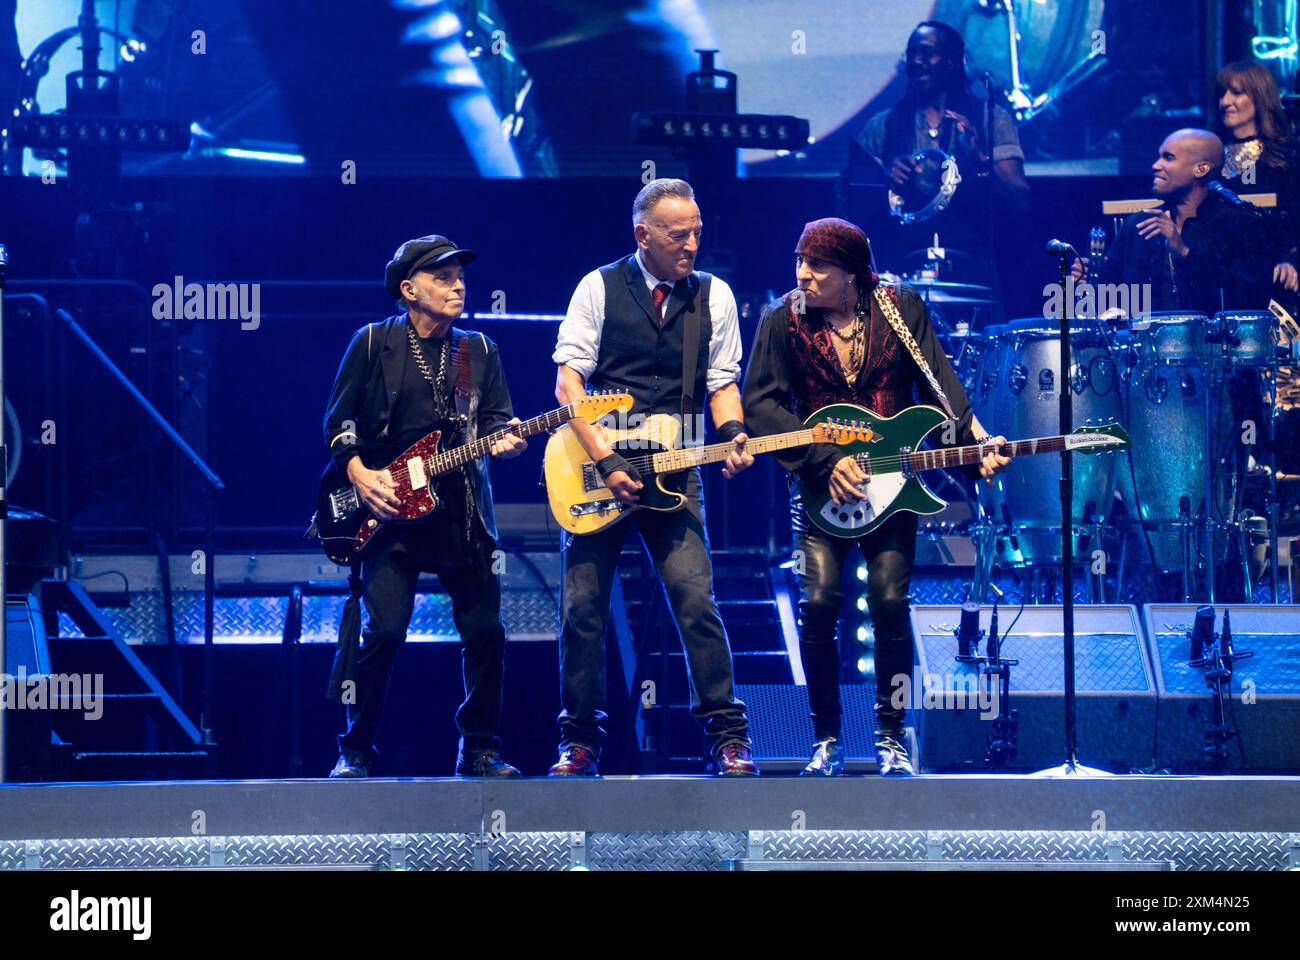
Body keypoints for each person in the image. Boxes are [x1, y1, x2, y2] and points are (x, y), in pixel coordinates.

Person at [743, 218, 1010, 776]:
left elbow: (938, 384)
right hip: (820, 486)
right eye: (799, 262)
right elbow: (761, 407)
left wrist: (973, 442)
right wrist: (822, 459)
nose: (803, 276)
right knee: (817, 608)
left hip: (892, 485)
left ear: (851, 274)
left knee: (890, 604)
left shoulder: (898, 308)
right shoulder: (781, 320)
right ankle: (826, 740)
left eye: (817, 267)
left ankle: (890, 737)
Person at [549, 178, 758, 776]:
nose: (692, 243)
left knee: (695, 598)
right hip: (596, 468)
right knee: (582, 609)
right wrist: (607, 462)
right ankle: (580, 741)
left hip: (676, 469)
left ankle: (727, 738)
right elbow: (569, 387)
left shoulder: (713, 295)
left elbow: (722, 383)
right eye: (678, 234)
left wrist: (732, 434)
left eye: (697, 231)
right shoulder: (598, 286)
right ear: (643, 235)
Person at [322, 235, 527, 778]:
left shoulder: (479, 351)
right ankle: (356, 748)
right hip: (390, 514)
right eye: (443, 277)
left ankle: (480, 749)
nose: (458, 284)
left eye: (460, 275)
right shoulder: (371, 344)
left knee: (486, 632)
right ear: (409, 289)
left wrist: (504, 439)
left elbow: (496, 420)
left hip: (460, 513)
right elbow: (338, 426)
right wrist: (360, 474)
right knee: (384, 633)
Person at [856, 20, 1029, 308]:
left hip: (973, 272)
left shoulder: (991, 119)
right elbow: (851, 205)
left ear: (951, 60)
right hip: (901, 273)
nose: (916, 61)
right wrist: (884, 180)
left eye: (925, 53)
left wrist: (979, 158)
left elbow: (1020, 201)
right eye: (911, 54)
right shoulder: (882, 126)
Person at [1071, 128, 1271, 316]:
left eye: (1168, 157)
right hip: (1146, 348)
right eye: (1159, 156)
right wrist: (1089, 281)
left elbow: (1250, 301)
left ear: (1201, 169)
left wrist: (1183, 251)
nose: (1156, 165)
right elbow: (1112, 298)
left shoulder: (1239, 225)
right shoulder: (1139, 225)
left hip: (1215, 348)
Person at [1215, 59, 1298, 297]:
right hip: (1220, 275)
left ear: (1260, 97)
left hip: (1272, 276)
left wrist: (1291, 260)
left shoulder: (1287, 155)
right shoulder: (1209, 155)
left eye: (1236, 93)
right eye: (1222, 94)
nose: (1225, 102)